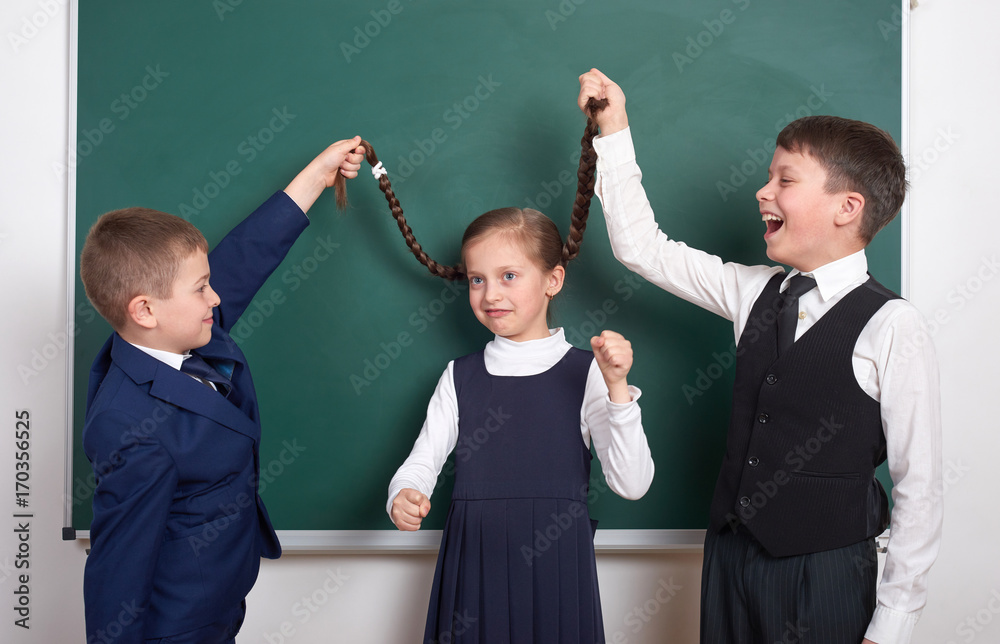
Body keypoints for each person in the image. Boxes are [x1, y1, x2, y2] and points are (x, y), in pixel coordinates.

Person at [576, 68, 942, 644]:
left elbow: (919, 484)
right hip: (728, 559)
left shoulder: (894, 325)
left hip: (825, 574)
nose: (762, 191)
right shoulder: (753, 291)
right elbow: (642, 248)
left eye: (785, 180)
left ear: (847, 207)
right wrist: (613, 128)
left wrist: (891, 626)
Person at [370, 116, 654, 642]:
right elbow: (421, 462)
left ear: (553, 280)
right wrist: (403, 494)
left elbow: (632, 484)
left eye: (508, 276)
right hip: (473, 569)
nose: (491, 294)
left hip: (558, 573)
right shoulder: (459, 377)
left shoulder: (587, 372)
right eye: (477, 280)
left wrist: (618, 388)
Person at [79, 136, 366, 644]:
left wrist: (318, 177)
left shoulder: (176, 333)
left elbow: (245, 257)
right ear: (145, 310)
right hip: (178, 629)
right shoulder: (129, 426)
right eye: (201, 289)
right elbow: (116, 575)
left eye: (209, 282)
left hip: (219, 605)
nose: (216, 297)